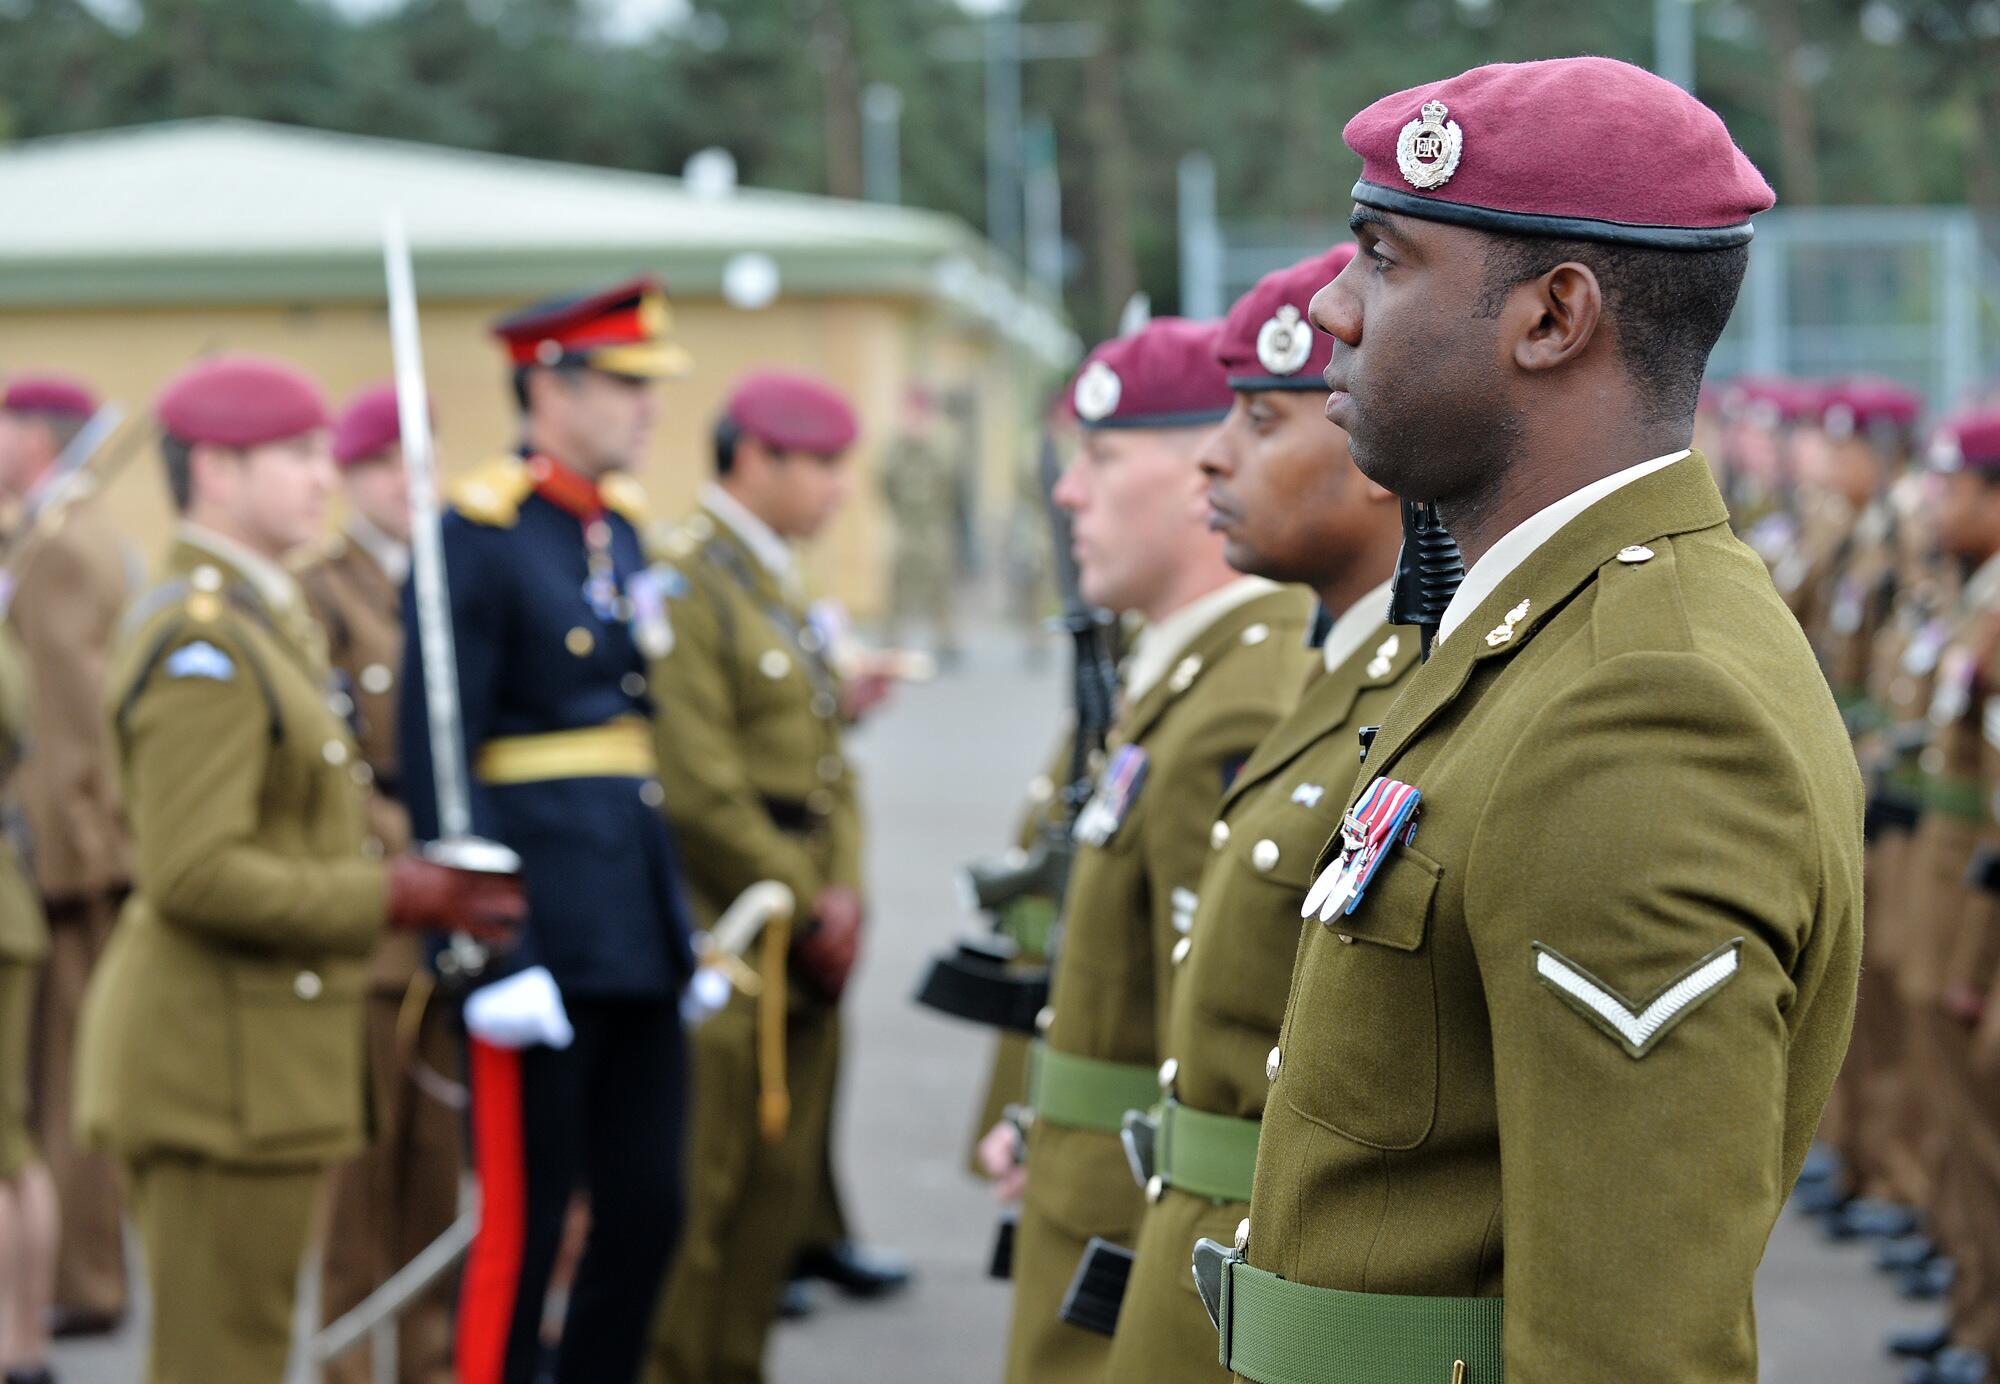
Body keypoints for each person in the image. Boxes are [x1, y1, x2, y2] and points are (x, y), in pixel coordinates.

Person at [1205, 59, 1863, 1381]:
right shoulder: (1545, 636)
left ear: (1555, 317)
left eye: (1385, 260)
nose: (1330, 307)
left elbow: (1631, 1350)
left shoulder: (1645, 709)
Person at [71, 355, 522, 1384]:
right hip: (214, 1073)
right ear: (217, 473)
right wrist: (397, 894)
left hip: (257, 1067)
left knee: (252, 1346)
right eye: (299, 455)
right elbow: (191, 872)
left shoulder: (256, 615)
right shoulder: (204, 638)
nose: (326, 476)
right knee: (220, 1360)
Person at [1103, 244, 1415, 1381]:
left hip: (1270, 1268)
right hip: (1196, 1229)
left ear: (1374, 445)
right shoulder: (1329, 673)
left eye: (1269, 419)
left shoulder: (1407, 695)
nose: (1213, 455)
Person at [990, 318, 1316, 1384]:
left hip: (1142, 1210)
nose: (1069, 494)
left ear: (1195, 477)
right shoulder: (1173, 671)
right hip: (1094, 1180)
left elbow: (1219, 1036)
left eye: (1101, 458)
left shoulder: (1242, 698)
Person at [398, 277, 701, 1384]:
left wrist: (673, 923)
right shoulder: (475, 535)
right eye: (626, 384)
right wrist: (485, 947)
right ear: (550, 383)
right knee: (523, 1228)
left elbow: (630, 747)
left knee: (648, 1208)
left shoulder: (615, 530)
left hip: (631, 926)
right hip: (536, 931)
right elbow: (439, 754)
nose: (648, 408)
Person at [645, 370, 900, 1384]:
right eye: (822, 466)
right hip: (729, 921)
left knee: (769, 1201)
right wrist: (805, 896)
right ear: (754, 458)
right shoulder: (685, 580)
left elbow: (825, 765)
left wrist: (842, 894)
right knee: (699, 1203)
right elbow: (696, 782)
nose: (840, 489)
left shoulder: (769, 578)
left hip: (798, 921)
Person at [303, 383, 460, 1384]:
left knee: (440, 1186)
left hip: (457, 917)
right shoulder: (320, 593)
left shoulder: (449, 585)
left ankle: (434, 1363)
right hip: (377, 915)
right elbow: (330, 768)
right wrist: (422, 854)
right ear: (349, 478)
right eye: (388, 465)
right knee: (359, 1195)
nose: (412, 484)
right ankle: (350, 1366)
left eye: (424, 462)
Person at [0, 376, 133, 1340]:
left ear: (35, 438)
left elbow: (65, 720)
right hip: (85, 844)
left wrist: (65, 858)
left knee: (65, 1077)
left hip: (64, 857)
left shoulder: (55, 548)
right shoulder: (54, 534)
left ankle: (83, 1279)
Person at [1882, 405, 2000, 1384]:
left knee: (1979, 1131)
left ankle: (1983, 1327)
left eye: (1953, 488)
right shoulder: (1972, 595)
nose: (1935, 504)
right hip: (1940, 879)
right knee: (1960, 1128)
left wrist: (1972, 959)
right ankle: (1969, 1310)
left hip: (1974, 904)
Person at [880, 386, 963, 667]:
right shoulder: (895, 448)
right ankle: (891, 641)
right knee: (897, 585)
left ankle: (946, 640)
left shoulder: (941, 447)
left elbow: (952, 487)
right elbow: (885, 485)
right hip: (906, 525)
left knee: (940, 584)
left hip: (933, 526)